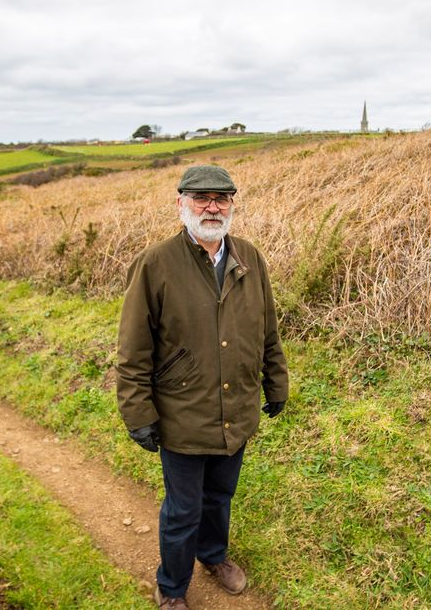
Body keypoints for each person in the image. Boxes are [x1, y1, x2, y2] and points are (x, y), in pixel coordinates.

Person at [116, 165, 289, 609]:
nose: (212, 207)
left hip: (237, 409)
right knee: (183, 510)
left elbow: (267, 329)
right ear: (181, 204)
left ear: (232, 205)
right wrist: (139, 414)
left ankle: (213, 556)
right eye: (201, 198)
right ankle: (172, 587)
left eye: (221, 198)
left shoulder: (249, 257)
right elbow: (133, 350)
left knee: (220, 497)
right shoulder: (155, 264)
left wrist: (276, 382)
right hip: (182, 416)